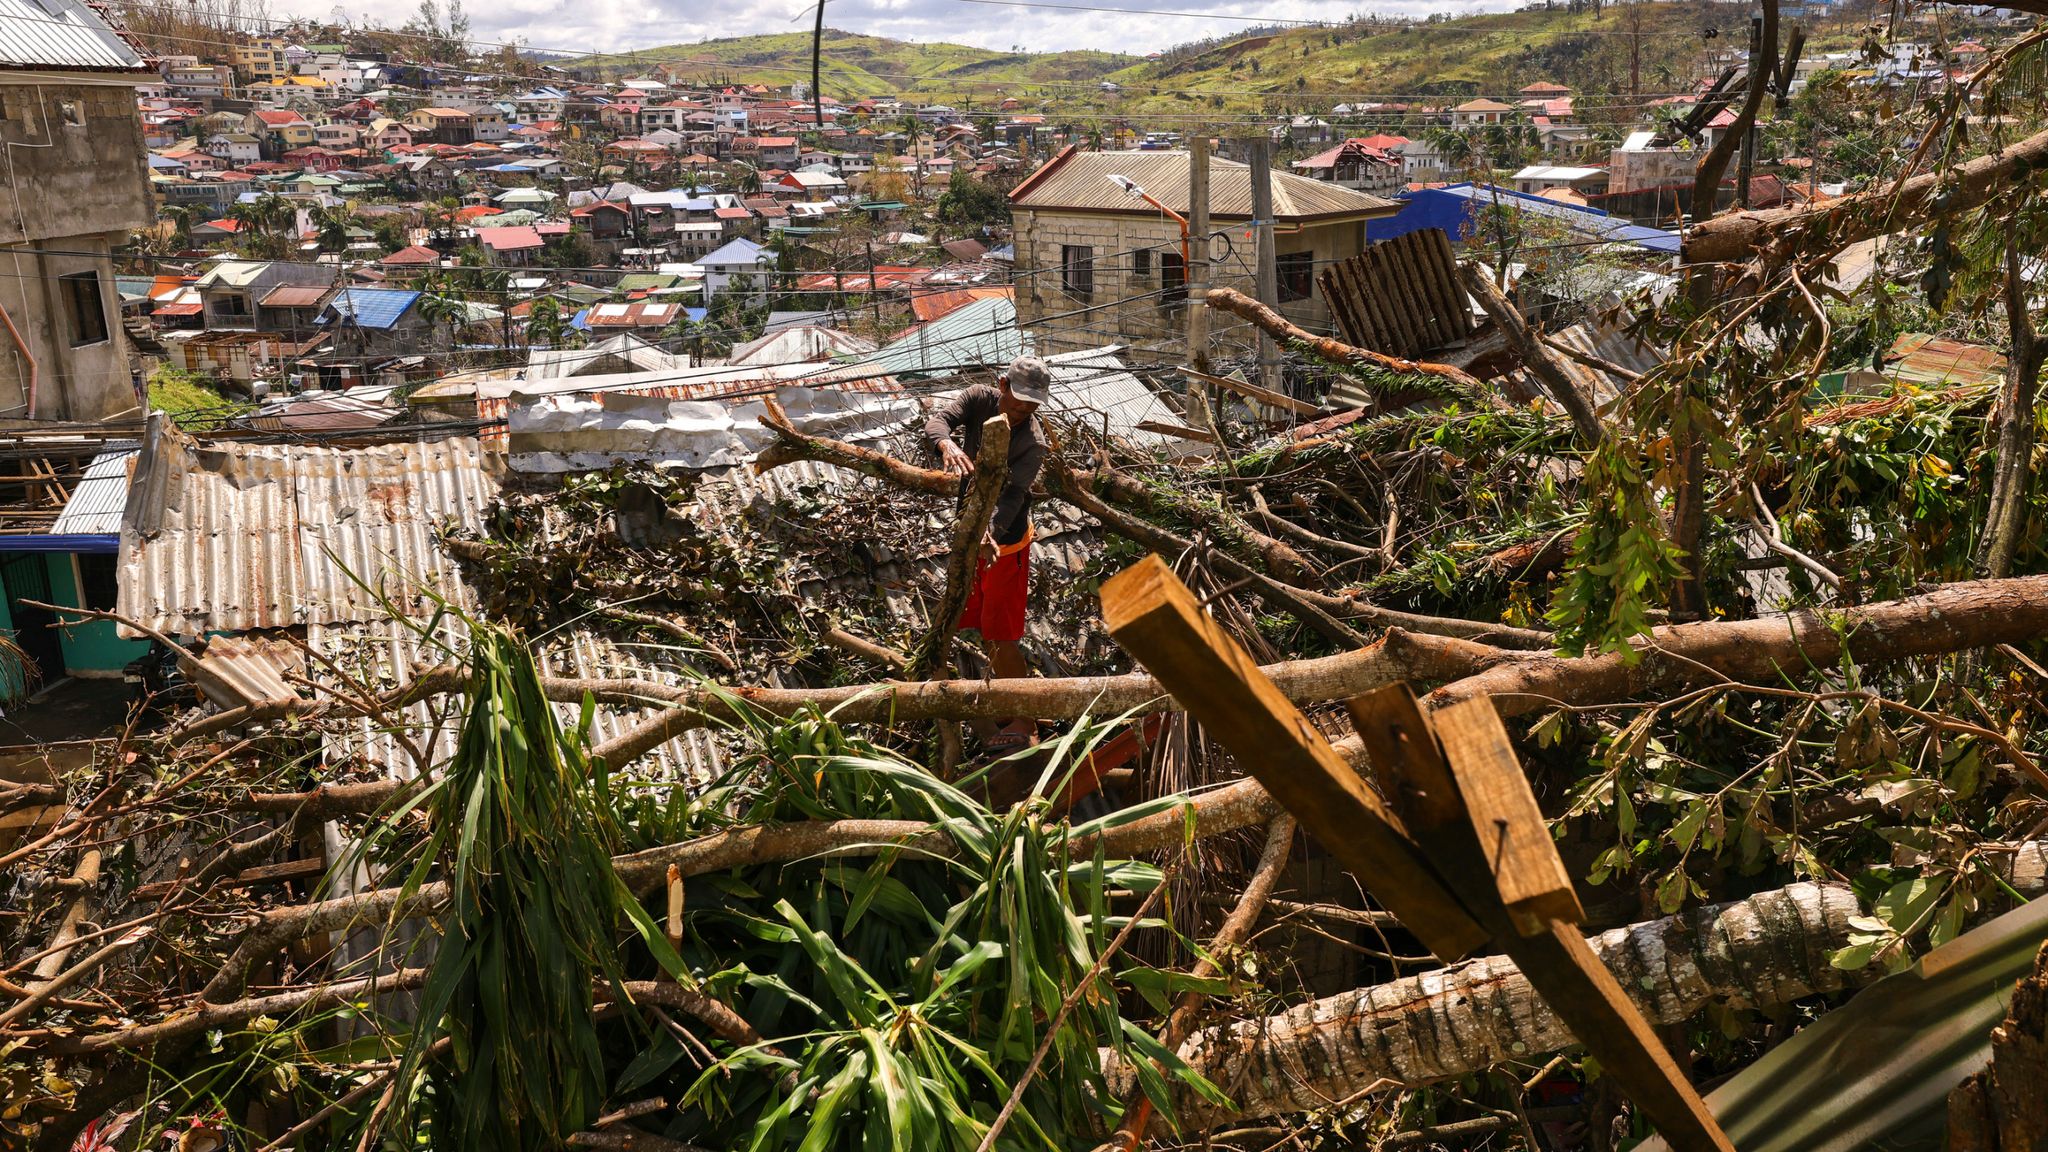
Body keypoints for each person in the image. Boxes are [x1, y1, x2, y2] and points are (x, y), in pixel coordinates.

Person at [924, 356, 1051, 748]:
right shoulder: (978, 400)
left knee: (1001, 635)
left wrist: (990, 532)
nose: (1021, 412)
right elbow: (937, 421)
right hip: (971, 533)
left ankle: (1025, 721)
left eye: (1031, 406)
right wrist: (946, 443)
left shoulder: (1033, 442)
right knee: (967, 618)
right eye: (1016, 402)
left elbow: (1013, 495)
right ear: (1002, 385)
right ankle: (996, 702)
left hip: (1005, 543)